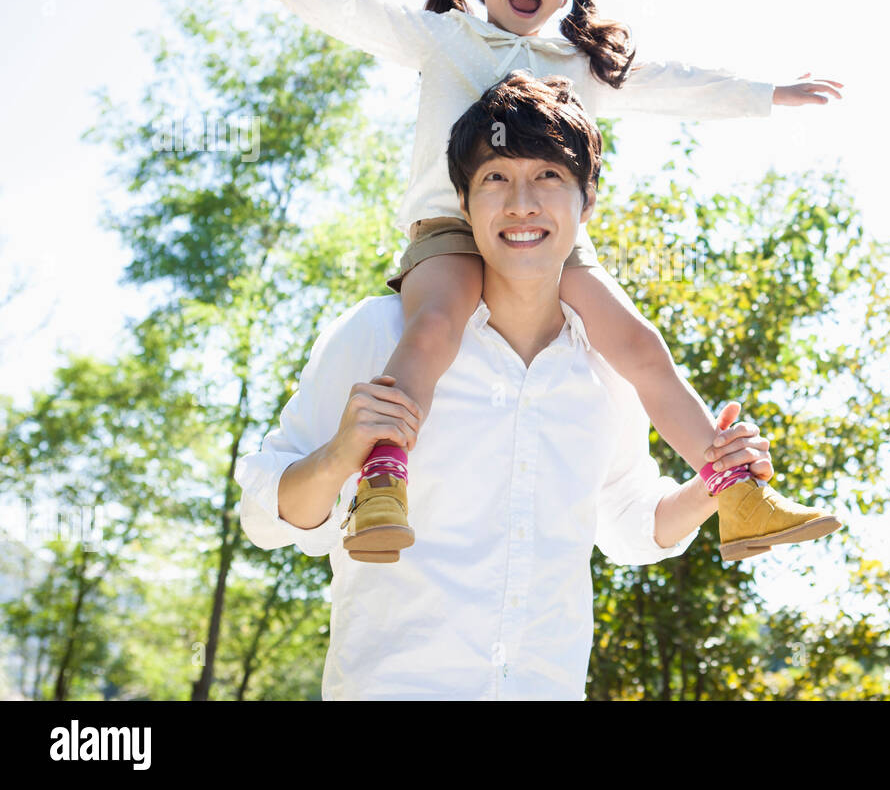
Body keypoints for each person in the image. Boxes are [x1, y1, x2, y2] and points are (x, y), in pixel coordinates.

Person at [184, 0, 845, 561]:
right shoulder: (444, 39)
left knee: (637, 343)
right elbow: (356, 7)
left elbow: (673, 84)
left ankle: (737, 490)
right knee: (435, 326)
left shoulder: (578, 68)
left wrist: (768, 94)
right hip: (450, 226)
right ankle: (383, 479)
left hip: (552, 243)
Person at [235, 71, 835, 699]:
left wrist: (714, 483)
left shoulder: (608, 366)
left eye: (548, 175)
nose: (522, 202)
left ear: (587, 201)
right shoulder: (380, 334)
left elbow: (630, 522)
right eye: (496, 178)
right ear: (463, 207)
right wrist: (338, 458)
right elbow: (266, 517)